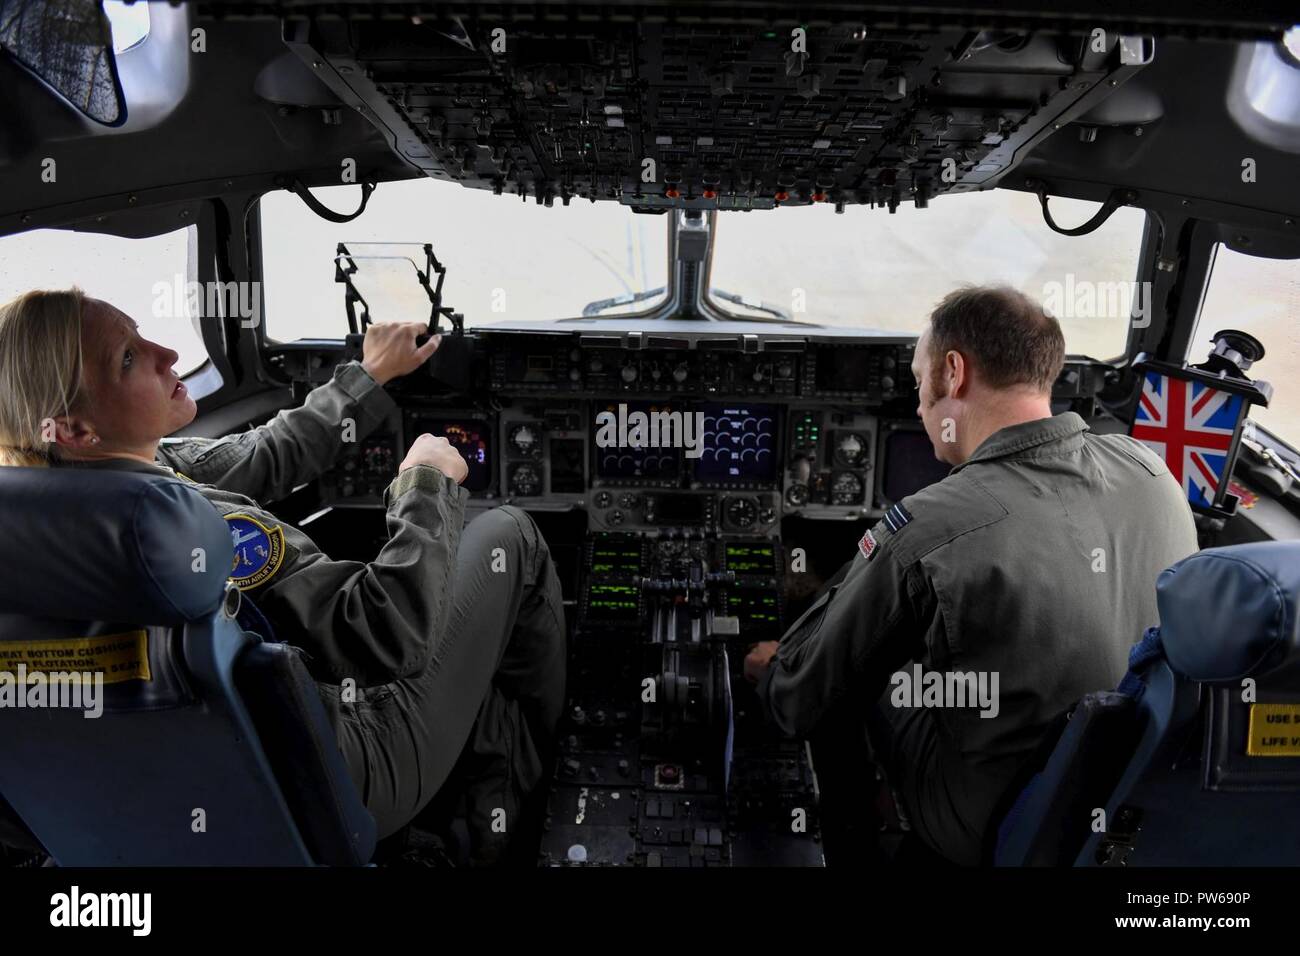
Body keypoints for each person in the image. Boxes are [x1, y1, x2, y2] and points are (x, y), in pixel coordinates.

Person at [0, 288, 566, 865]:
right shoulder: (191, 534)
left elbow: (268, 452)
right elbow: (385, 631)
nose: (167, 352)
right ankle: (535, 790)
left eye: (142, 334)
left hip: (117, 819)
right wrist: (426, 482)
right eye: (128, 357)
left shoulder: (60, 510)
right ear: (73, 429)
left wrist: (369, 374)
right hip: (343, 770)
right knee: (509, 535)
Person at [743, 285, 1198, 865]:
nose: (917, 406)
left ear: (953, 373)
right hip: (1133, 798)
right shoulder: (1149, 467)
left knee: (860, 662)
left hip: (993, 823)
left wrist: (775, 671)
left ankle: (864, 828)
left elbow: (804, 705)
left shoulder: (931, 525)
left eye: (917, 382)